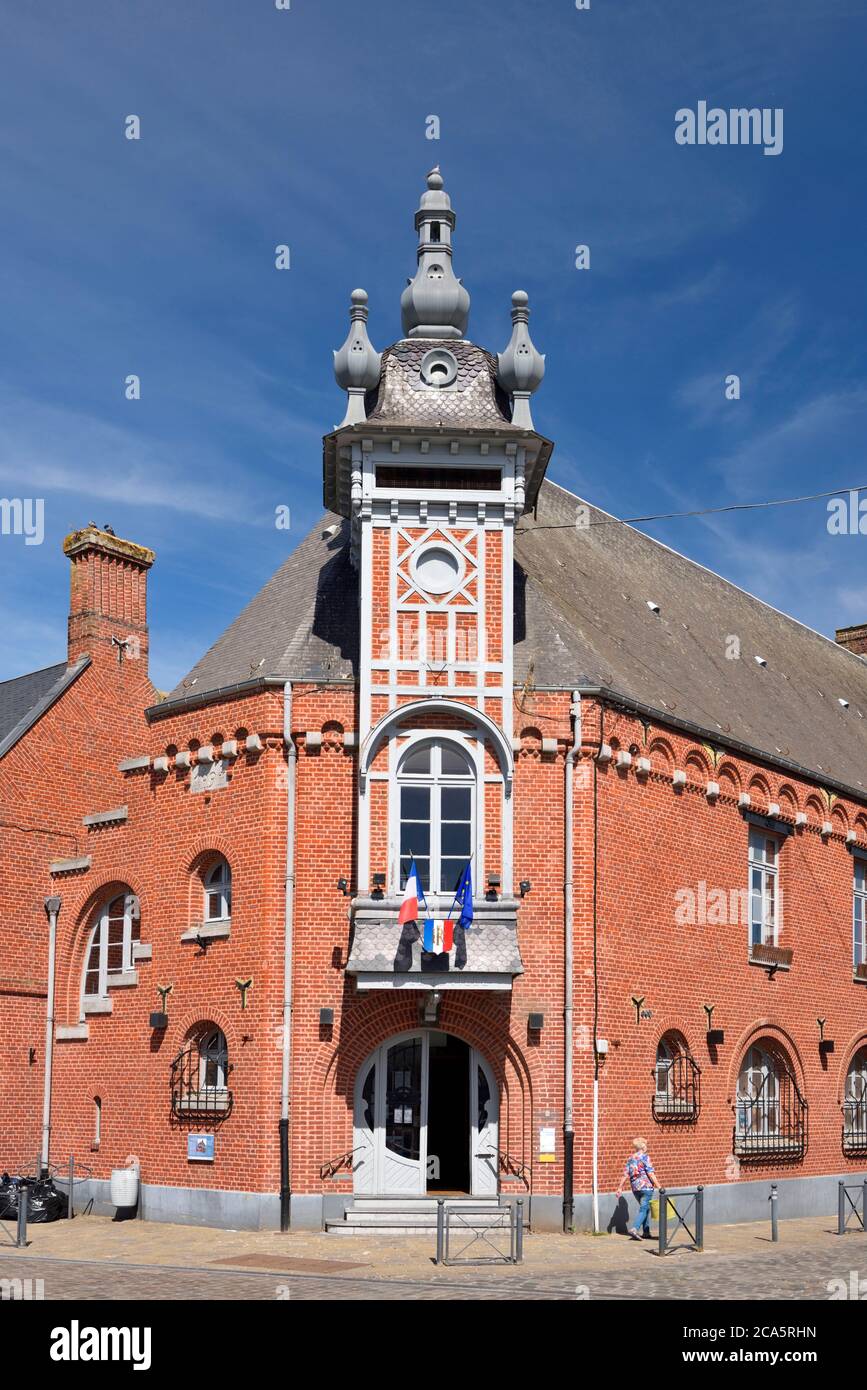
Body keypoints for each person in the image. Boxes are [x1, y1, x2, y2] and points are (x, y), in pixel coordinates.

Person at [616, 1136, 661, 1239]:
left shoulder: (631, 1158)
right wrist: (659, 1186)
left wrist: (620, 1187)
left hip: (635, 1188)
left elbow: (625, 1174)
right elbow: (650, 1173)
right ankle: (634, 1229)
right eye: (646, 1144)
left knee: (645, 1208)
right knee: (644, 1208)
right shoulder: (645, 1157)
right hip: (646, 1187)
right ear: (643, 1146)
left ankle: (646, 1232)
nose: (647, 1147)